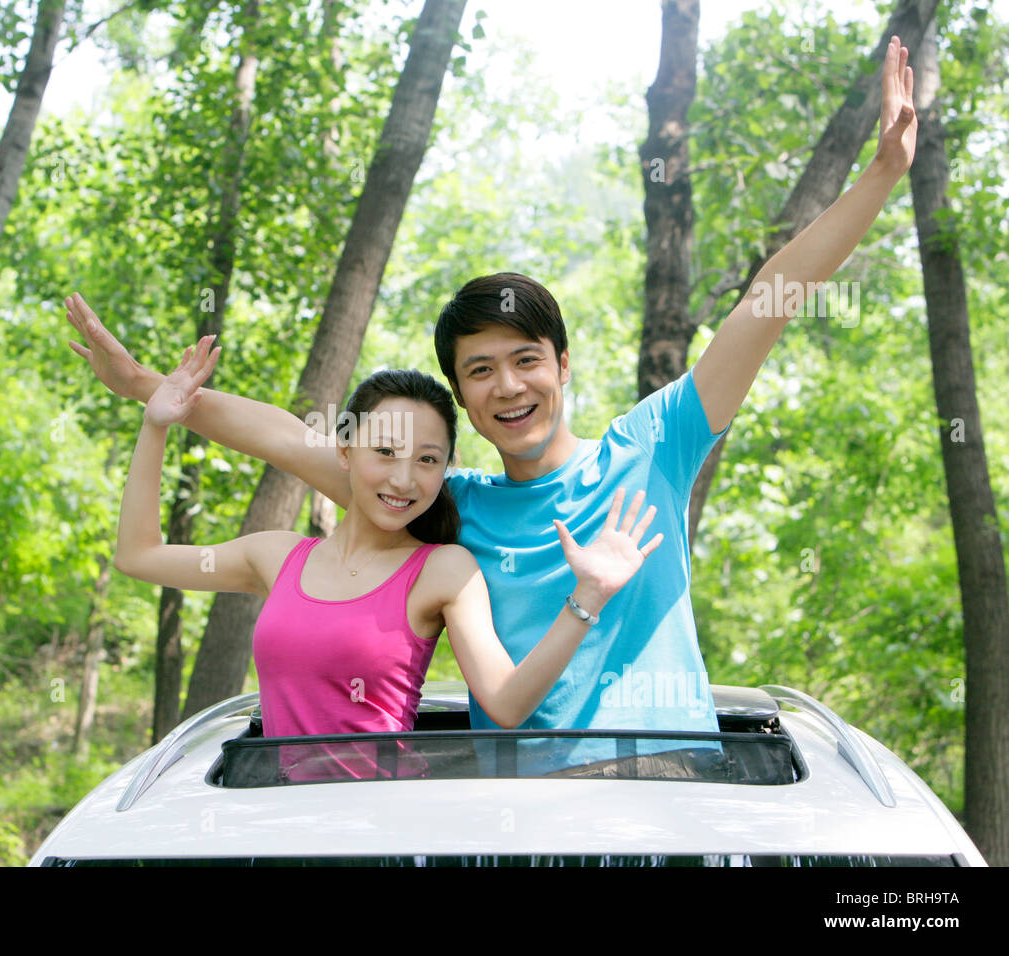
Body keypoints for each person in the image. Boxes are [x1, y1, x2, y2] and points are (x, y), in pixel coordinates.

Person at [67, 37, 916, 775]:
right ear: (464, 399)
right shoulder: (441, 500)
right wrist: (153, 391)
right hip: (511, 803)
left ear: (562, 365)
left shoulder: (658, 443)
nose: (508, 386)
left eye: (524, 361)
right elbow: (289, 439)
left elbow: (766, 301)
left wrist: (881, 174)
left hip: (670, 782)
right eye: (480, 372)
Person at [108, 334, 663, 779]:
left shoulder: (444, 569)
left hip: (381, 824)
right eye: (386, 452)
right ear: (345, 450)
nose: (403, 478)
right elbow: (140, 555)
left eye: (427, 460)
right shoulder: (276, 557)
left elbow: (507, 703)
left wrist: (585, 597)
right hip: (271, 823)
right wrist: (156, 423)